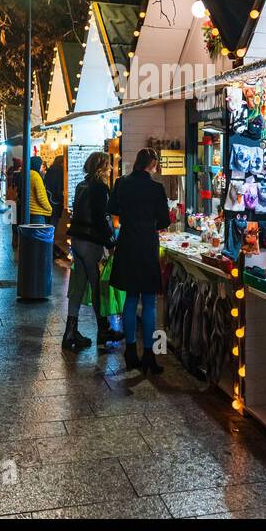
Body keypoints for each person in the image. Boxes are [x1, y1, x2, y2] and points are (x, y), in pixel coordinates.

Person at [107, 148, 170, 374]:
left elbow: (112, 209)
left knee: (131, 299)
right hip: (147, 245)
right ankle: (149, 356)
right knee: (150, 302)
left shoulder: (121, 183)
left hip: (127, 244)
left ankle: (130, 351)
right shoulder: (156, 188)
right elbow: (164, 221)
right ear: (152, 163)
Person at [63, 151, 124, 351]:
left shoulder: (81, 185)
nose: (111, 169)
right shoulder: (101, 188)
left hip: (78, 240)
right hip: (90, 243)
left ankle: (70, 332)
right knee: (96, 286)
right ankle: (103, 330)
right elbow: (102, 217)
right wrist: (111, 241)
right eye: (108, 165)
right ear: (101, 167)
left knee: (78, 286)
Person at [27, 155, 52, 224]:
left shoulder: (28, 174)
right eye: (41, 165)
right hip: (37, 213)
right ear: (37, 165)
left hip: (29, 211)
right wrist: (50, 208)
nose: (43, 168)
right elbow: (41, 197)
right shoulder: (36, 176)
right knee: (39, 233)